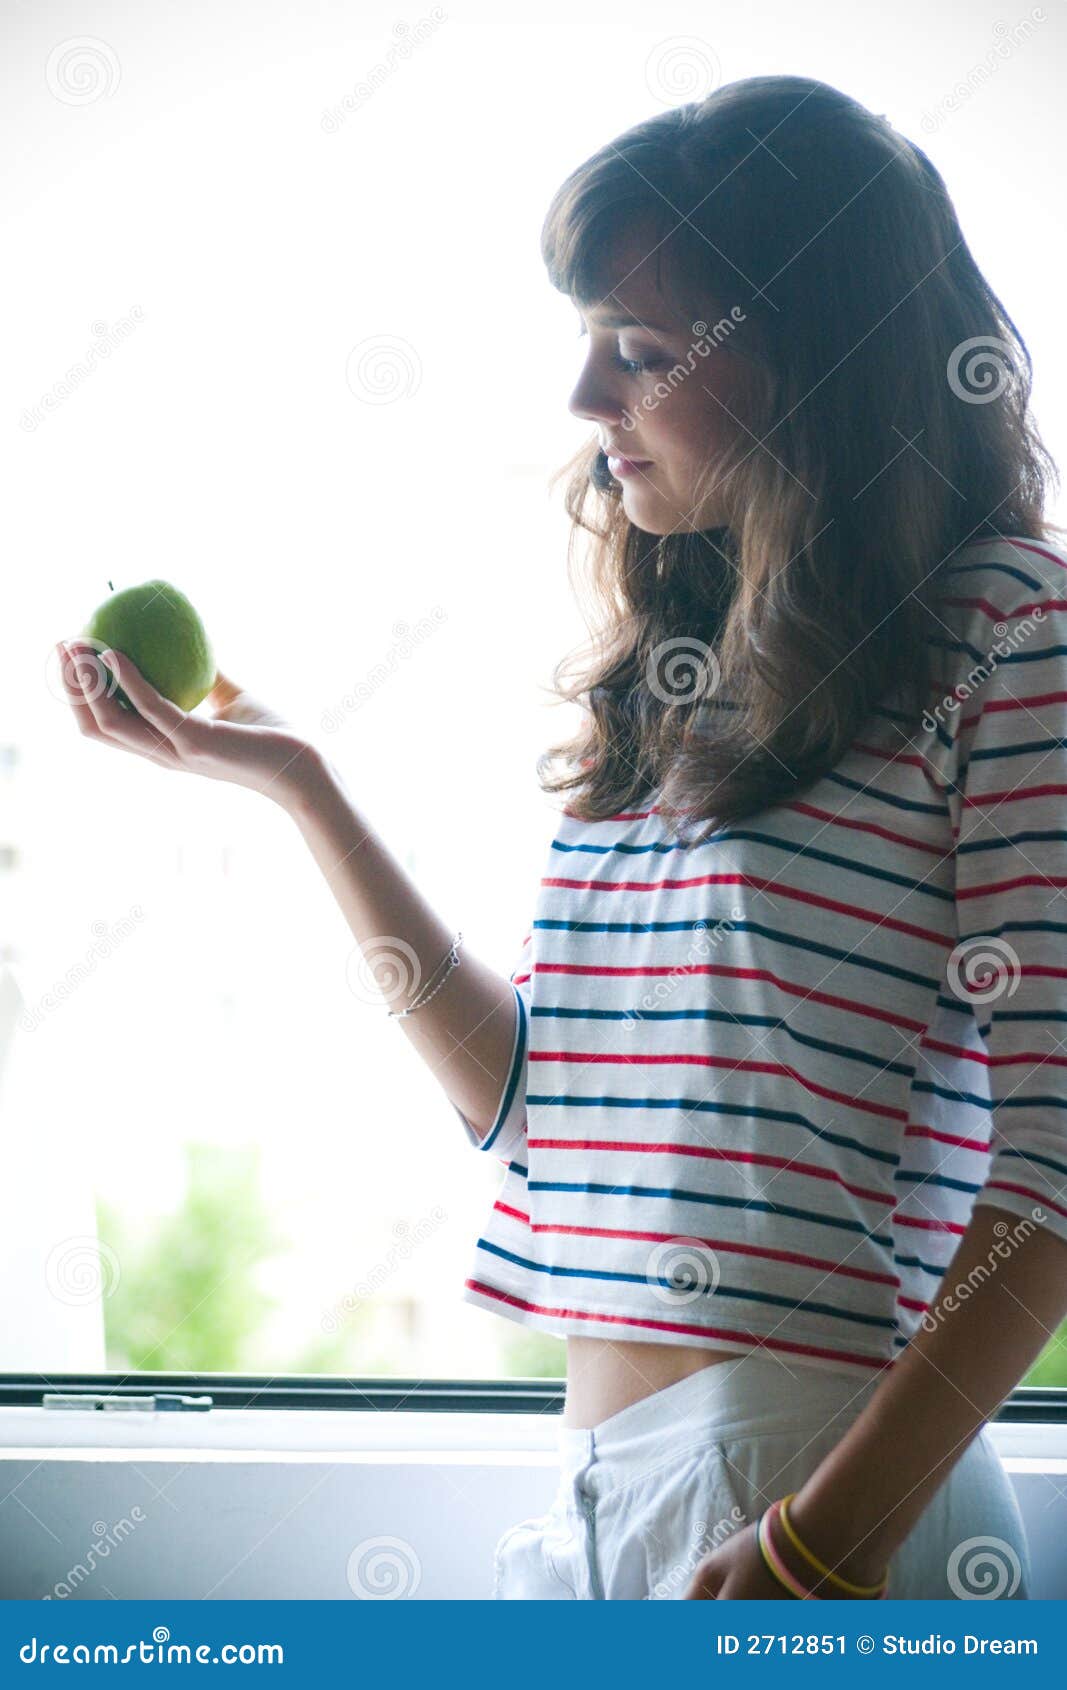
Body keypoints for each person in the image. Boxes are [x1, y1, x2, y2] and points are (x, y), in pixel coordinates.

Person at [58, 73, 1067, 1603]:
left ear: (818, 366)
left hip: (811, 1499)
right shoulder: (693, 665)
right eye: (590, 344)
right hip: (614, 1506)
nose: (587, 400)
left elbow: (1052, 1176)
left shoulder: (1007, 630)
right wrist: (299, 785)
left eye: (644, 353)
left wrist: (822, 1537)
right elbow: (546, 1112)